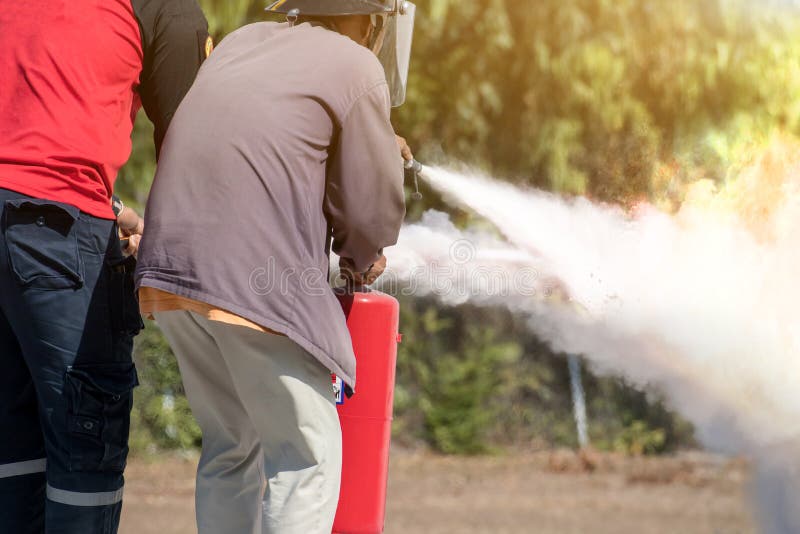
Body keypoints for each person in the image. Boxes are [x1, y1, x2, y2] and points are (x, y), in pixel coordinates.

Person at [134, 1, 416, 532]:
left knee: (230, 446)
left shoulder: (243, 41)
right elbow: (367, 210)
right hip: (250, 283)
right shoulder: (356, 66)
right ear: (368, 18)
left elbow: (265, 149)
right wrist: (364, 254)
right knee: (307, 456)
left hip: (171, 274)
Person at [0, 1, 210, 532]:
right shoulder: (169, 9)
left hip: (32, 218)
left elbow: (25, 136)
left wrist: (110, 211)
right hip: (56, 235)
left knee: (12, 435)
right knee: (84, 434)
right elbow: (193, 152)